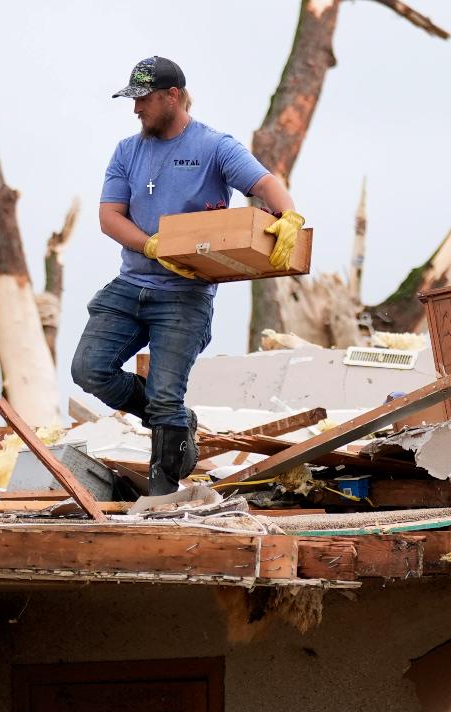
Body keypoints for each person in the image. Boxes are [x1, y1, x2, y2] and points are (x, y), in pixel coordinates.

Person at [70, 56, 303, 495]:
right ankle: (176, 422)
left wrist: (288, 214)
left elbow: (264, 184)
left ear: (172, 96)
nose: (136, 108)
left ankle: (162, 492)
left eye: (144, 99)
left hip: (184, 294)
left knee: (165, 396)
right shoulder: (127, 150)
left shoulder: (215, 147)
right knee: (89, 369)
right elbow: (109, 217)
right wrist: (151, 245)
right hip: (131, 285)